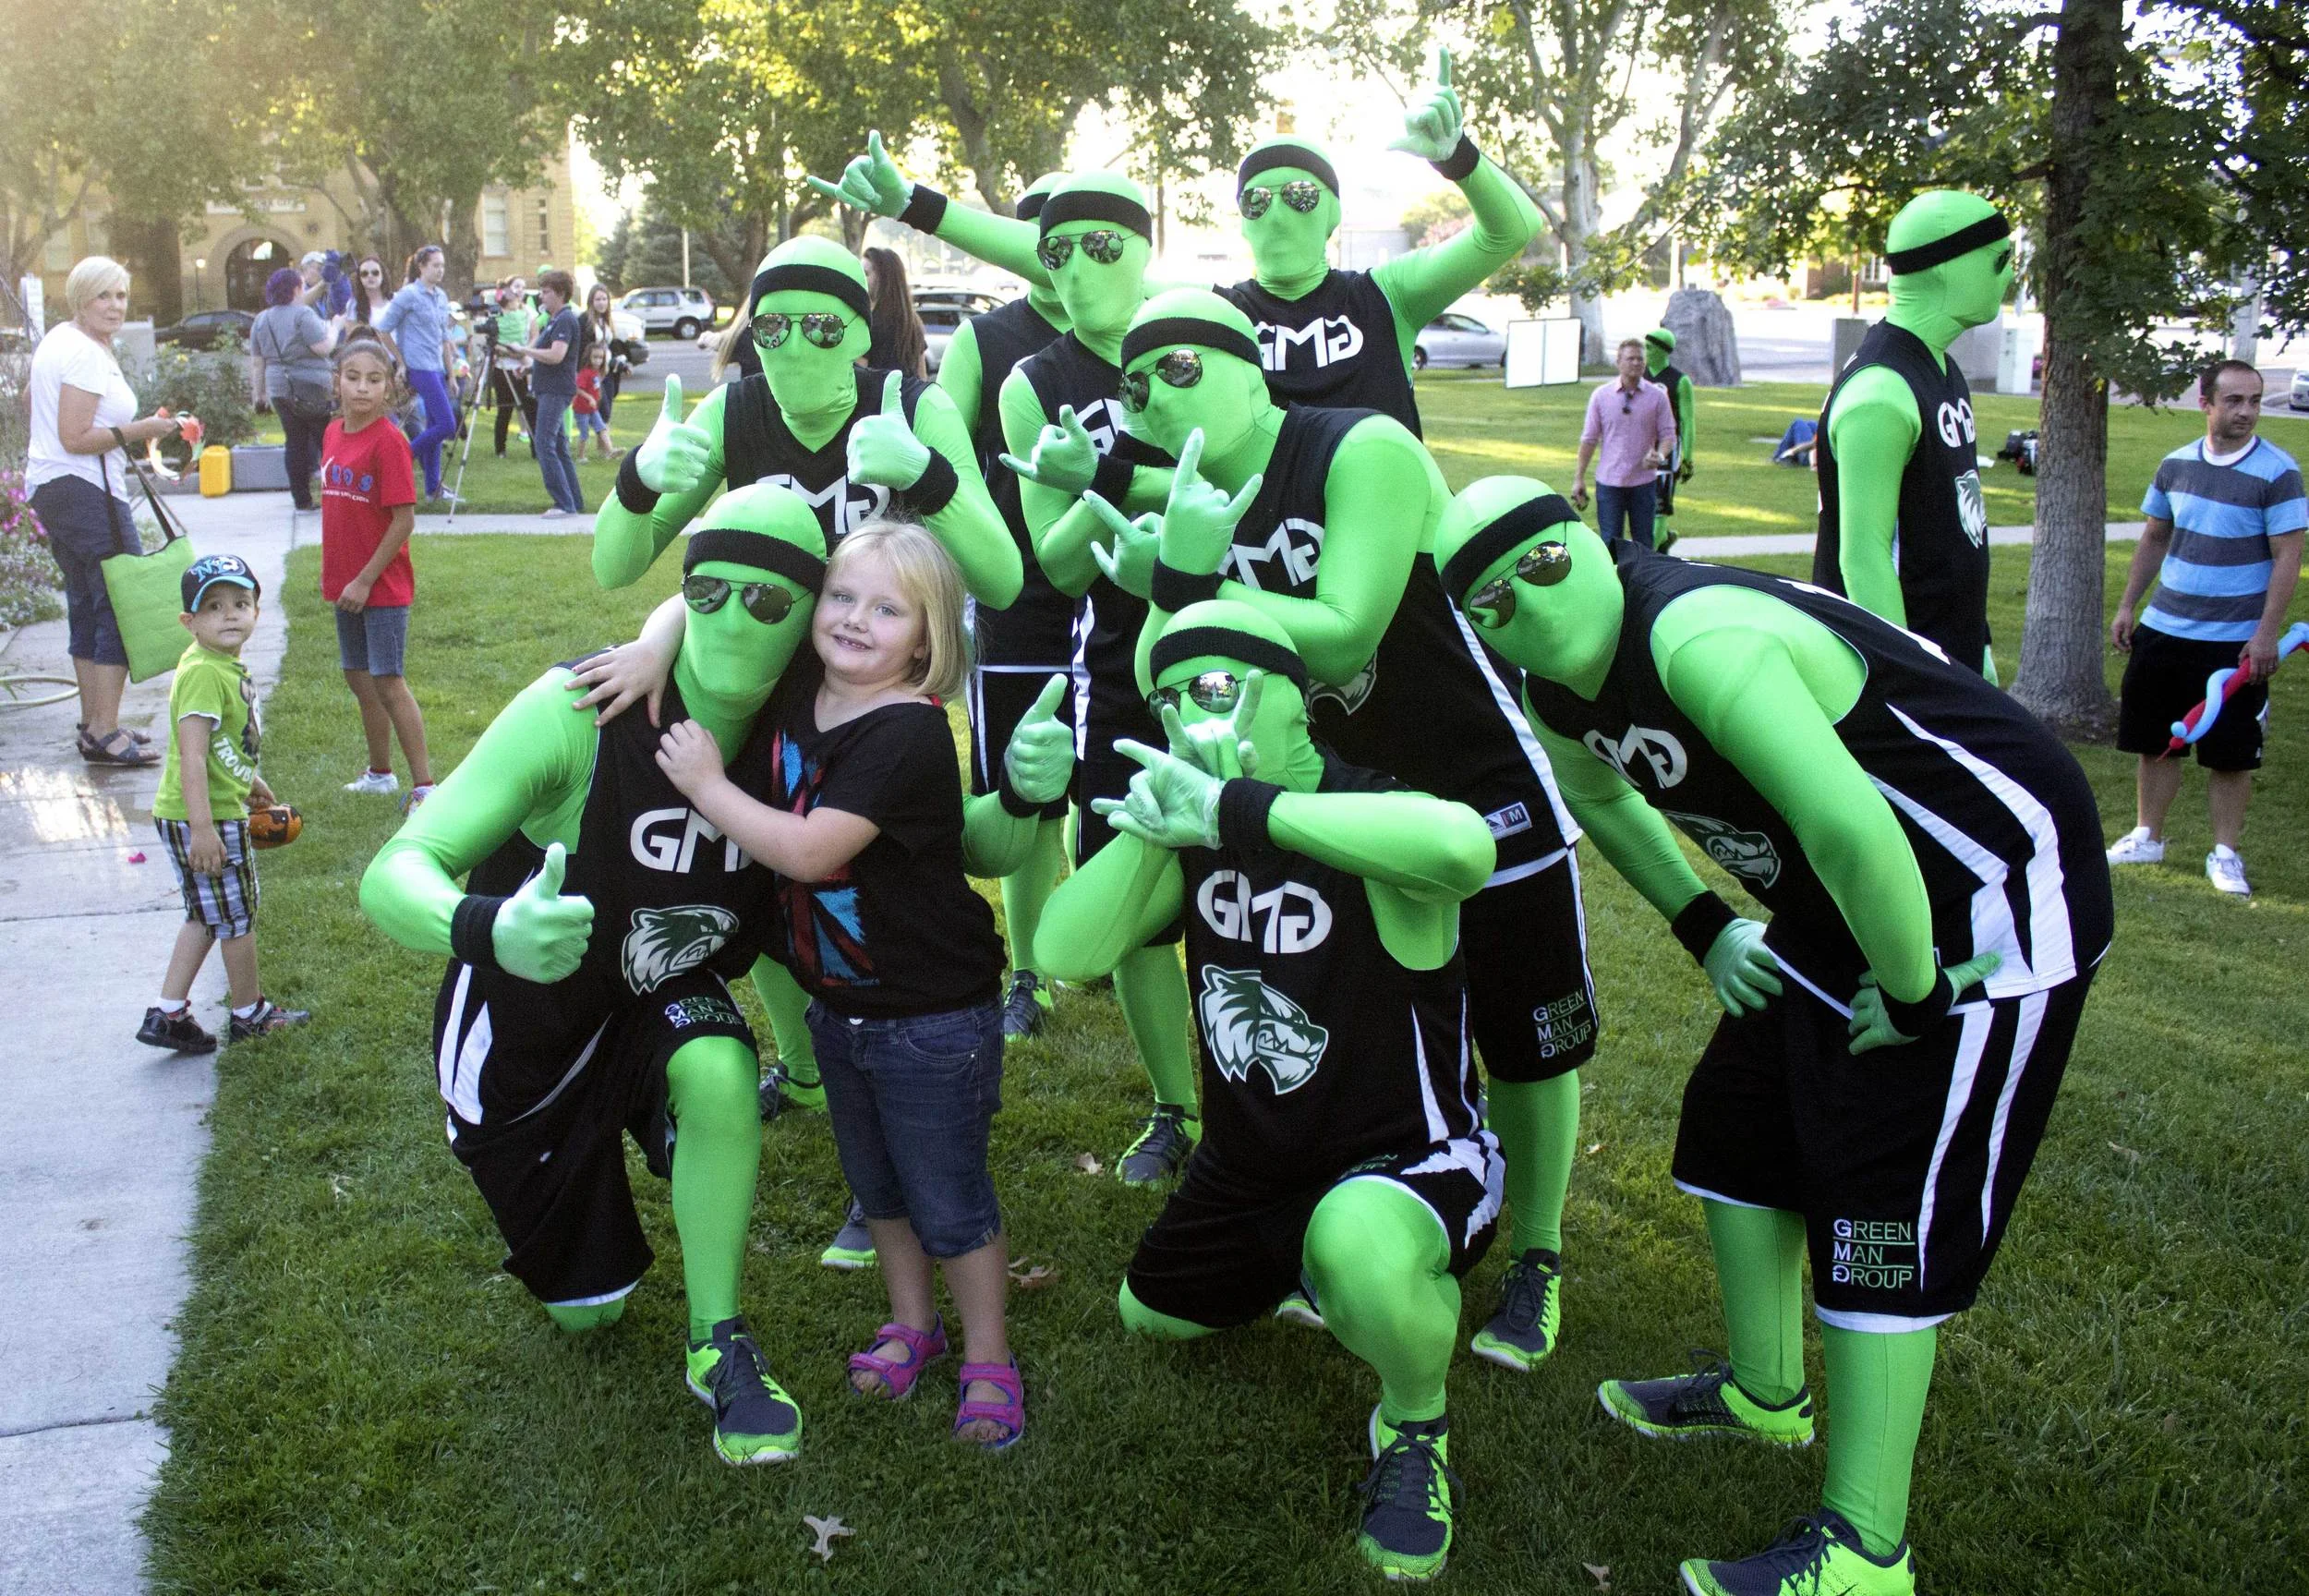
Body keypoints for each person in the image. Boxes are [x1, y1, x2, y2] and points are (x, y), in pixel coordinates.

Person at [1433, 479, 2113, 1596]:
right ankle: (1762, 1391)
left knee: (1882, 1196)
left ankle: (1865, 1548)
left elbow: (1850, 823)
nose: (1531, 611)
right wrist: (1705, 926)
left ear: (1591, 540)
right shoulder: (1553, 690)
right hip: (1837, 898)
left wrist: (1914, 991)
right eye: (1494, 605)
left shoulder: (1700, 639)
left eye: (1542, 567)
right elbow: (1599, 800)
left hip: (1985, 896)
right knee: (1736, 1127)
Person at [1085, 290, 1598, 1372]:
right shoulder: (1192, 492)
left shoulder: (1357, 443)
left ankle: (1537, 1253)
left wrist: (1180, 582)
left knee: (1523, 1025)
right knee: (1359, 1004)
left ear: (1250, 367)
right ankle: (1361, 1199)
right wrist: (1165, 583)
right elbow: (1156, 673)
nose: (1155, 397)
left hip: (1468, 770)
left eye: (1182, 368)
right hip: (1310, 786)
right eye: (1134, 384)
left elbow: (1347, 628)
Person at [360, 485, 830, 1466]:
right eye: (707, 594)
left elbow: (942, 837)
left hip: (652, 994)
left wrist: (1025, 796)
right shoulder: (581, 708)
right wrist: (485, 925)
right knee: (591, 1307)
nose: (734, 621)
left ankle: (719, 1341)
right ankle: (580, 1231)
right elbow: (393, 871)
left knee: (719, 1070)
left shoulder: (815, 724)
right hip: (526, 1027)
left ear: (811, 618)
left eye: (770, 603)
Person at [1035, 601, 1502, 1580]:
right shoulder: (1193, 832)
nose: (1187, 714)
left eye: (1212, 687)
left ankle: (1413, 1426)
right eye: (1167, 699)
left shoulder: (1366, 811)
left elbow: (1464, 850)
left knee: (1361, 1254)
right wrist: (1175, 825)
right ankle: (1309, 1266)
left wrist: (1238, 810)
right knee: (1152, 1314)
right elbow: (1063, 951)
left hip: (1410, 1159)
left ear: (1291, 698)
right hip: (1253, 1163)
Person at [598, 236, 1022, 1264]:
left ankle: (883, 1114)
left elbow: (1002, 579)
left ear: (861, 330)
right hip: (765, 696)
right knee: (774, 897)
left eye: (820, 326)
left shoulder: (907, 404)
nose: (793, 346)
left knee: (873, 885)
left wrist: (927, 476)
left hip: (877, 705)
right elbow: (619, 564)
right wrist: (642, 484)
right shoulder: (733, 411)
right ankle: (819, 1076)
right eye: (772, 324)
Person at [650, 523, 1065, 1450]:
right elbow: (696, 605)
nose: (853, 620)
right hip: (839, 1009)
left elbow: (808, 849)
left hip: (932, 1017)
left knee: (948, 1199)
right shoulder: (805, 688)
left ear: (925, 640)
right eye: (840, 596)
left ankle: (989, 1356)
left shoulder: (908, 731)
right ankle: (913, 1327)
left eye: (887, 609)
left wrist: (707, 785)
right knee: (878, 1191)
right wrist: (648, 640)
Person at [816, 50, 1540, 439]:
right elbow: (1062, 256)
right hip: (1267, 557)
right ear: (1241, 219)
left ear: (1332, 218)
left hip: (1395, 544)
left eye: (1300, 197)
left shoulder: (1386, 294)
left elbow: (1511, 230)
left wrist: (1459, 158)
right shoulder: (1215, 311)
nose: (1278, 213)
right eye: (1258, 199)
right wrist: (916, 203)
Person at [994, 172, 1198, 1184]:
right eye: (1057, 251)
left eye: (1098, 246)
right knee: (1130, 911)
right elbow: (1060, 562)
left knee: (1263, 887)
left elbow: (1254, 478)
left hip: (1245, 655)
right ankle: (1179, 1110)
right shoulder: (1034, 380)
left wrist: (1111, 475)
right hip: (1118, 666)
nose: (1074, 268)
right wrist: (1085, 490)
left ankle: (1283, 1092)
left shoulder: (1205, 333)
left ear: (1145, 249)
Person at [937, 173, 1076, 1038]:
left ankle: (1118, 934)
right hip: (1019, 603)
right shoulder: (985, 342)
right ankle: (1029, 972)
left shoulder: (1142, 334)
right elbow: (937, 456)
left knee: (1120, 784)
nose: (1055, 247)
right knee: (1024, 792)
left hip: (1128, 602)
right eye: (1039, 228)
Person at [2107, 358, 2304, 896]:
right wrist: (2129, 607)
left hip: (2235, 642)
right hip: (2165, 630)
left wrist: (2266, 635)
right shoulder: (2174, 465)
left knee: (2231, 755)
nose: (2247, 412)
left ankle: (2225, 853)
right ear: (2206, 403)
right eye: (2235, 401)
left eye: (2255, 401)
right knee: (2157, 743)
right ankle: (2148, 836)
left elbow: (2289, 558)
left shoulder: (2278, 471)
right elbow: (2154, 539)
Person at [1813, 190, 2013, 682]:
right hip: (1906, 676)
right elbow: (1863, 559)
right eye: (2000, 261)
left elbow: (1958, 521)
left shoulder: (1941, 369)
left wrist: (1977, 645)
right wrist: (1913, 682)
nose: (2010, 276)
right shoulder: (1882, 392)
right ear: (1952, 267)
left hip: (1952, 657)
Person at [25, 255, 199, 767]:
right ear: (80, 297)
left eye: (121, 296)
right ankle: (103, 730)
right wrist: (144, 430)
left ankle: (95, 724)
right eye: (104, 296)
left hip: (59, 487)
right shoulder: (83, 353)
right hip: (83, 490)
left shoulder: (66, 340)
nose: (115, 306)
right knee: (123, 608)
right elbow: (75, 437)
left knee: (88, 603)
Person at [136, 554, 310, 1053]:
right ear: (189, 623)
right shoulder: (205, 674)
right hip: (204, 815)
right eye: (213, 607)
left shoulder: (215, 662)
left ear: (257, 609)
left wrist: (247, 777)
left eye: (241, 603)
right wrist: (205, 828)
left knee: (205, 914)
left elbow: (218, 743)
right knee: (238, 918)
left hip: (200, 809)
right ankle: (250, 1013)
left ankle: (168, 1014)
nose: (230, 614)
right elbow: (191, 756)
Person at [322, 341, 433, 804]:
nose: (362, 387)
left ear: (389, 387)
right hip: (344, 583)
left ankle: (426, 786)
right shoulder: (332, 433)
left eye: (374, 379)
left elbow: (403, 520)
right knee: (359, 678)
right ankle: (379, 773)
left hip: (380, 586)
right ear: (337, 382)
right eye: (353, 376)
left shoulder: (389, 441)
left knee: (388, 680)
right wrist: (345, 578)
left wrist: (366, 579)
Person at [373, 245, 461, 504]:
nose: (440, 270)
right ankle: (401, 460)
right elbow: (383, 330)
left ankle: (432, 488)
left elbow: (445, 338)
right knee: (447, 424)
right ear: (421, 267)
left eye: (442, 265)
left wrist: (452, 375)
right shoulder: (408, 295)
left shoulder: (441, 297)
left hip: (437, 366)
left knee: (435, 426)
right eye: (435, 265)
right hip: (418, 366)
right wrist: (400, 361)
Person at [1571, 338, 1677, 546]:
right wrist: (1579, 478)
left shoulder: (1657, 397)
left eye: (1640, 359)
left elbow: (1668, 436)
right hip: (1610, 482)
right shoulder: (1601, 396)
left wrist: (1660, 455)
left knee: (1644, 543)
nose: (1636, 363)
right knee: (1611, 542)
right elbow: (1589, 439)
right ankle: (1614, 579)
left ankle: (1642, 579)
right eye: (1630, 359)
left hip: (1643, 482)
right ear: (1619, 362)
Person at [250, 265, 337, 513]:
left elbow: (257, 362)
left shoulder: (261, 319)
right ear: (297, 288)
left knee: (295, 443)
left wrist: (260, 395)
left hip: (279, 388)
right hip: (312, 387)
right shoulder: (303, 315)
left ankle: (302, 499)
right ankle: (335, 494)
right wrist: (336, 327)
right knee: (327, 441)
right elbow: (324, 347)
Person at [521, 270, 585, 517]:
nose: (541, 296)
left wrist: (526, 351)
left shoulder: (565, 320)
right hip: (550, 388)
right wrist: (527, 364)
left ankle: (563, 503)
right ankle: (574, 501)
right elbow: (547, 355)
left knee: (544, 443)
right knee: (558, 446)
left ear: (560, 294)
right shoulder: (554, 320)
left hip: (556, 390)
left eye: (546, 292)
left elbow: (557, 355)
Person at [1643, 327, 1696, 550]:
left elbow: (1687, 420)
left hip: (1667, 451)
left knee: (1659, 506)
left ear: (1662, 350)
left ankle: (1651, 554)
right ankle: (1664, 539)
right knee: (1641, 506)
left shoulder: (1679, 381)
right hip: (1639, 449)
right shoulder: (1638, 376)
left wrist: (1688, 458)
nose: (1646, 352)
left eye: (1650, 347)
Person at [487, 275, 539, 458]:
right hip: (504, 366)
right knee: (505, 408)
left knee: (530, 408)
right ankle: (500, 449)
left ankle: (536, 450)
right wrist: (511, 353)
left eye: (523, 287)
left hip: (524, 366)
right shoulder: (496, 313)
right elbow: (493, 342)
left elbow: (535, 335)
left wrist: (525, 351)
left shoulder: (529, 312)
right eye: (517, 286)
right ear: (506, 289)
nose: (520, 290)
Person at [863, 246, 927, 379]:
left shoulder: (868, 323)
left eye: (866, 273)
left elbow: (859, 377)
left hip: (879, 398)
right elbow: (923, 378)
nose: (860, 278)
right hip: (910, 397)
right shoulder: (913, 322)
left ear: (882, 278)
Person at [582, 284, 628, 427]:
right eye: (597, 300)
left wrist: (619, 362)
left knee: (608, 406)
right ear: (591, 302)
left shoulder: (607, 321)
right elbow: (583, 348)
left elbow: (612, 346)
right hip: (593, 372)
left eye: (604, 299)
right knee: (603, 409)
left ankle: (603, 445)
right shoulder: (585, 321)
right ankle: (607, 447)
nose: (601, 303)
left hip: (608, 371)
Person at [573, 344, 615, 462]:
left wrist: (597, 396)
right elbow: (577, 388)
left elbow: (596, 387)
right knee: (584, 433)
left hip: (592, 409)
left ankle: (610, 451)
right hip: (581, 409)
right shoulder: (585, 373)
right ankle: (581, 456)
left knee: (601, 428)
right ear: (589, 358)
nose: (598, 361)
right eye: (595, 357)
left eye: (601, 358)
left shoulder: (596, 373)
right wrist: (590, 398)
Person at [348, 256, 395, 332]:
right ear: (359, 278)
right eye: (364, 273)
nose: (370, 276)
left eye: (375, 273)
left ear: (383, 275)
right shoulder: (353, 305)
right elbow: (351, 337)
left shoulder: (396, 300)